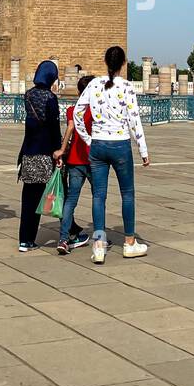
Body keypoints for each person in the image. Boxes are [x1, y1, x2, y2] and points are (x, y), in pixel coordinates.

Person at [74, 46, 150, 264]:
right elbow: (134, 120)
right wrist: (143, 150)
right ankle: (129, 243)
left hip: (98, 145)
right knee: (127, 194)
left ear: (105, 62)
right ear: (123, 63)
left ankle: (98, 246)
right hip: (120, 145)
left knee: (99, 195)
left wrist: (88, 138)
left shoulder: (93, 84)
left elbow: (78, 112)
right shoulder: (126, 87)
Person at [17, 61, 84, 252]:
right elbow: (53, 129)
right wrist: (58, 151)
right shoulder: (50, 98)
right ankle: (70, 232)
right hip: (46, 153)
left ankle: (25, 240)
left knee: (29, 198)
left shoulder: (28, 95)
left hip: (28, 153)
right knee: (61, 193)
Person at [52, 75, 96, 255]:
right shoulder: (97, 110)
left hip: (75, 161)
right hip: (94, 161)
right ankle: (99, 238)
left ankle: (63, 239)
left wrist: (62, 149)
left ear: (79, 91)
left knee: (71, 200)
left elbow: (70, 128)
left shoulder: (73, 109)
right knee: (98, 198)